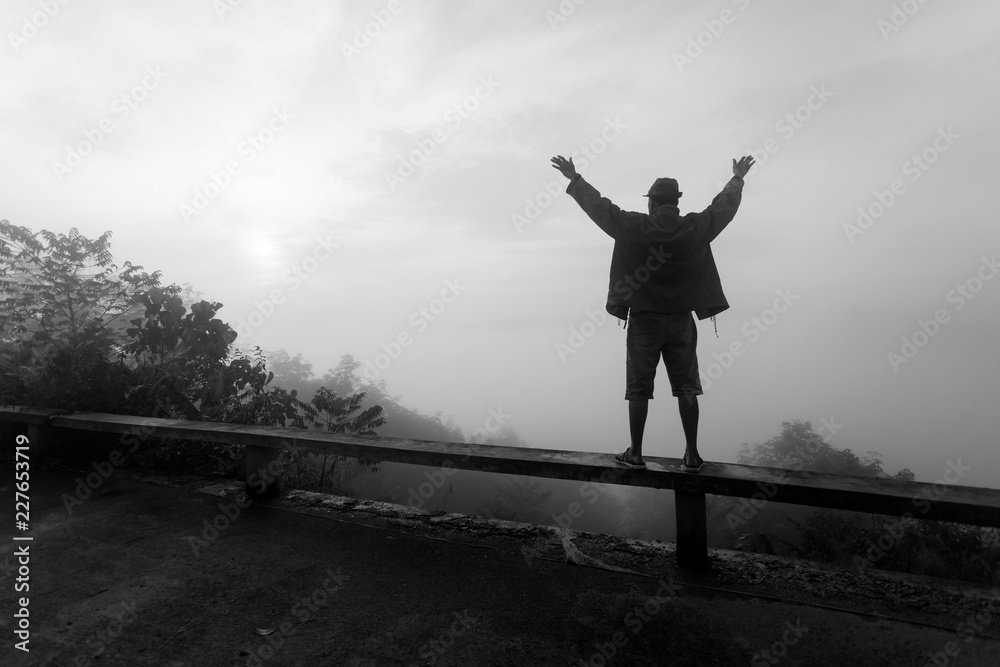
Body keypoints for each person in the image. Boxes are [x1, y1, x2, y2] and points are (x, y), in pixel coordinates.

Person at [550, 153, 755, 472]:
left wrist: (575, 179)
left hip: (644, 319)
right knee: (687, 387)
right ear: (675, 202)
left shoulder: (635, 227)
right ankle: (691, 455)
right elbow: (722, 208)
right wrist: (737, 178)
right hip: (681, 322)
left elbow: (600, 208)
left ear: (653, 203)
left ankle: (637, 453)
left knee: (639, 388)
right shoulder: (695, 228)